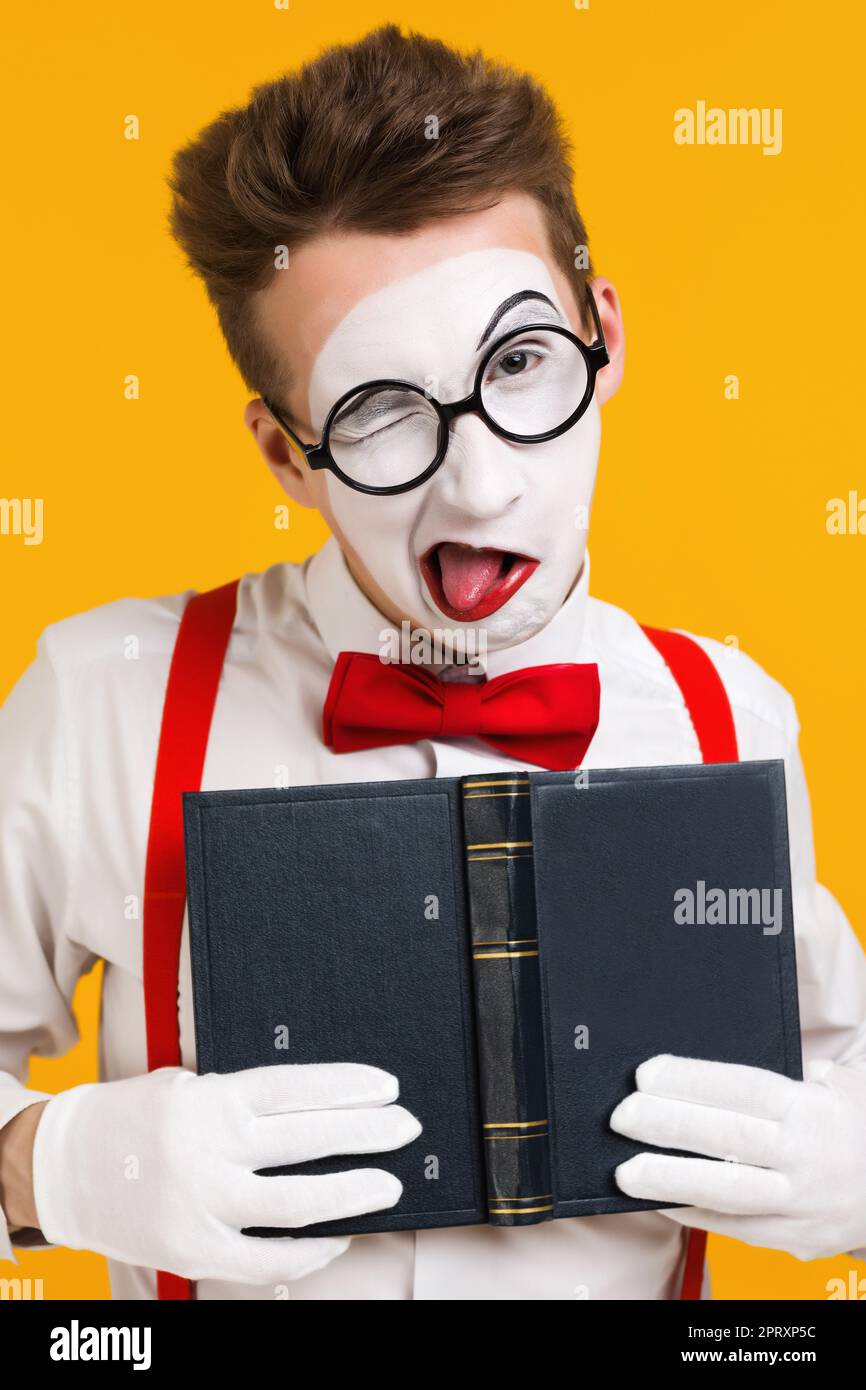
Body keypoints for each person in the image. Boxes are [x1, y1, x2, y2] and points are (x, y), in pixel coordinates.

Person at [1, 23, 864, 1302]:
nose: (477, 481)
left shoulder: (726, 713)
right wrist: (49, 1164)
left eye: (519, 364)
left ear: (604, 338)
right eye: (378, 410)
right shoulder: (101, 694)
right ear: (287, 453)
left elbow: (835, 1066)